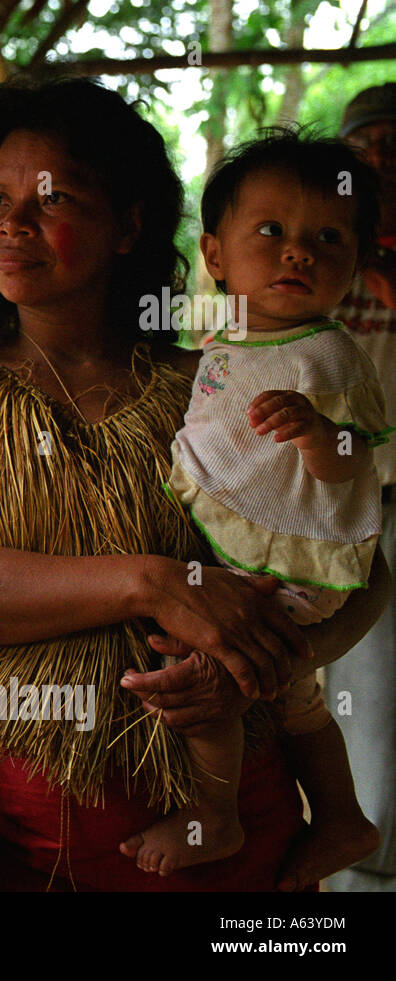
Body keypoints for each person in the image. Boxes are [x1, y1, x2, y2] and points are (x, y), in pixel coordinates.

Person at [0, 75, 389, 891]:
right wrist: (152, 584)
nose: (13, 223)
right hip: (29, 825)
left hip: (228, 821)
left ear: (129, 225)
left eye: (53, 199)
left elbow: (361, 563)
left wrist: (258, 663)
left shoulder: (219, 390)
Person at [120, 130, 384, 884]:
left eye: (327, 238)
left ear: (357, 267)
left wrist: (317, 436)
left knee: (213, 677)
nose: (297, 252)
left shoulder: (327, 355)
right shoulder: (226, 341)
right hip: (247, 550)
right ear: (214, 254)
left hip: (295, 555)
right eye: (271, 232)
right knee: (297, 695)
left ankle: (216, 812)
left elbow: (353, 463)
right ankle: (340, 816)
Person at [329, 82, 396, 892]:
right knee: (367, 701)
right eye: (368, 146)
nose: (381, 157)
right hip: (356, 506)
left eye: (394, 145)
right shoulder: (323, 254)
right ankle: (364, 878)